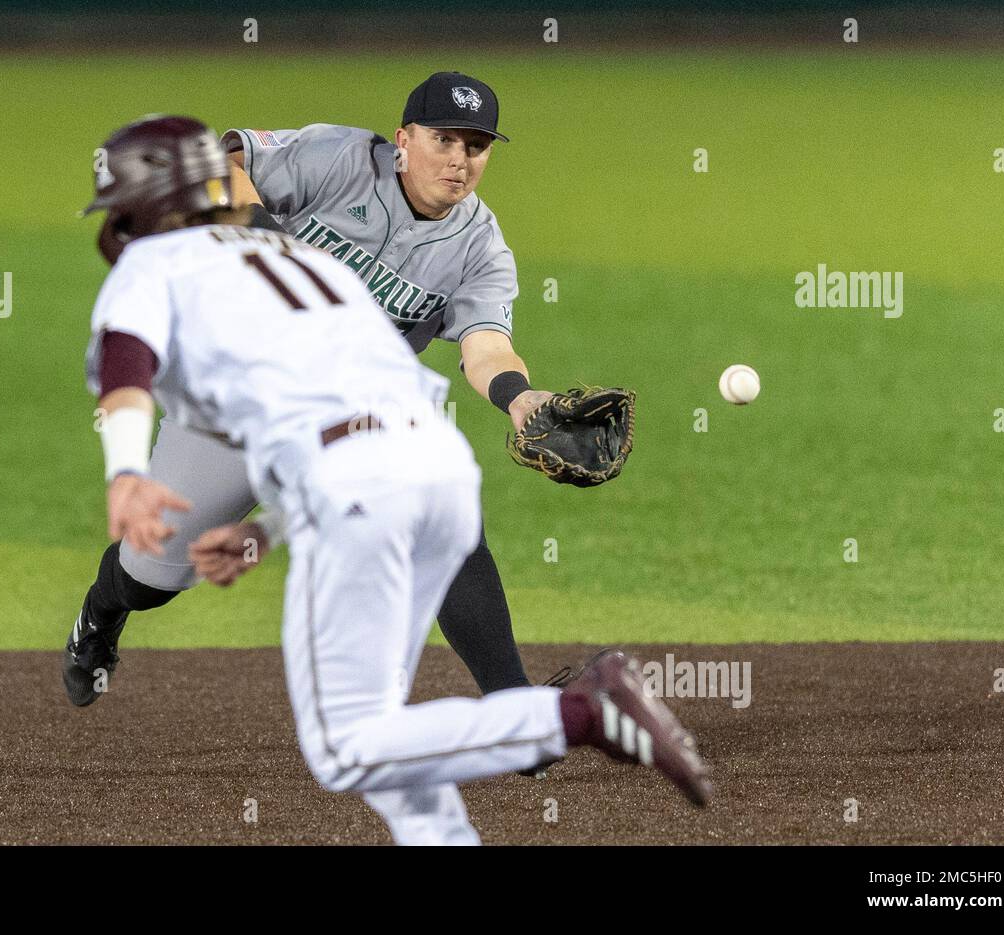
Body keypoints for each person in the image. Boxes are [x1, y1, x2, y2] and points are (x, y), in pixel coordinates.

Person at [76, 115, 712, 844]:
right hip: (433, 468)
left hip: (355, 487)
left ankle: (577, 714)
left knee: (347, 747)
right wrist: (267, 529)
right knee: (383, 735)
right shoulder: (311, 266)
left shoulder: (164, 260)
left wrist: (125, 471)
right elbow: (353, 415)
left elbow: (127, 364)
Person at [64, 72, 571, 717]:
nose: (458, 160)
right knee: (150, 576)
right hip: (229, 407)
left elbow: (487, 345)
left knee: (437, 518)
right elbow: (231, 163)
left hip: (346, 406)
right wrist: (249, 235)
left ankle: (513, 708)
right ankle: (102, 612)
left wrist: (519, 398)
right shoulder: (338, 159)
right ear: (404, 139)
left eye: (476, 146)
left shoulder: (480, 248)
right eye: (444, 139)